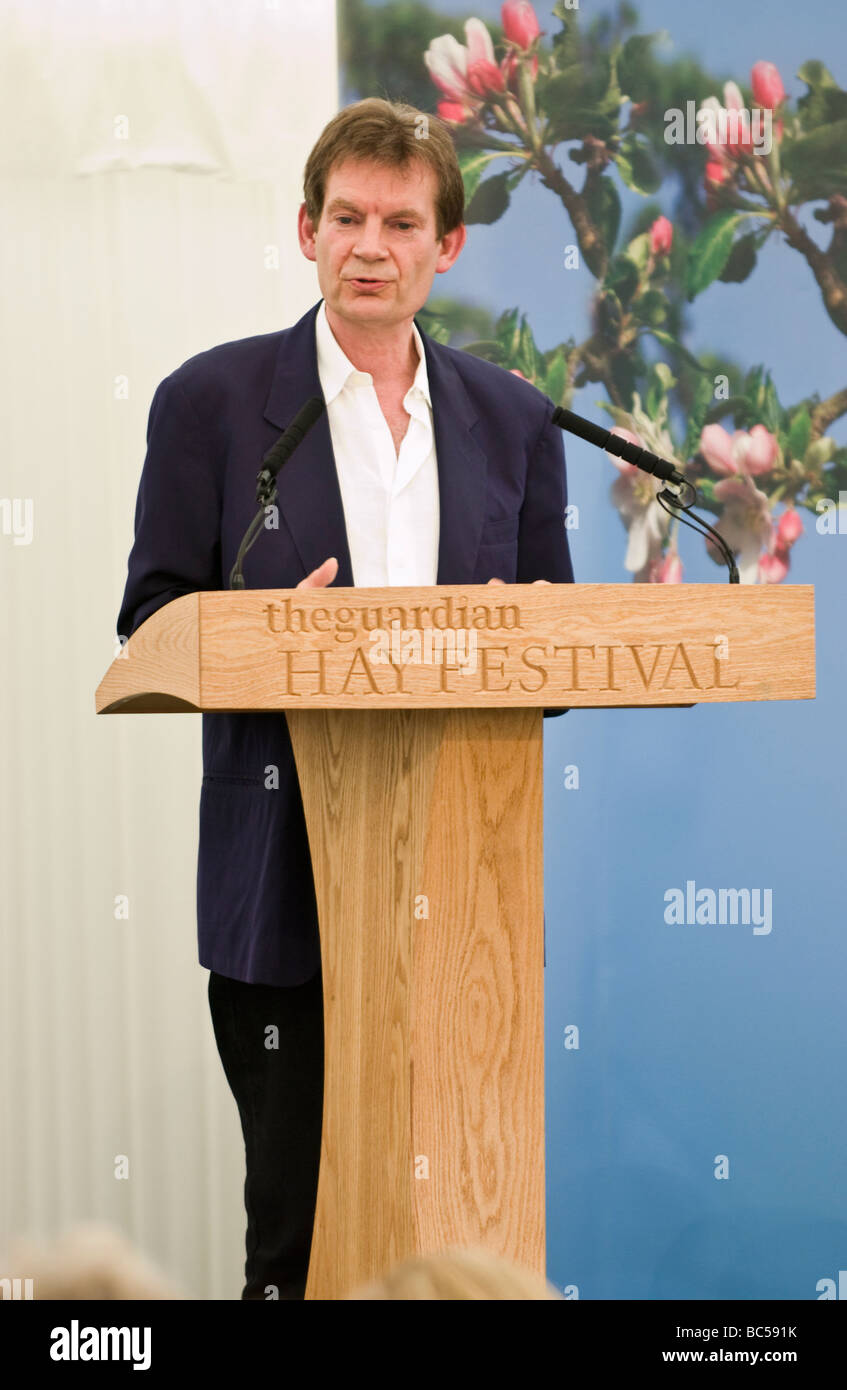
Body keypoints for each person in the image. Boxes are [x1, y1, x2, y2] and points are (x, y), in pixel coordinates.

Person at [117, 97, 574, 1300]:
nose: (372, 245)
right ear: (307, 231)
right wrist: (267, 635)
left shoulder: (516, 419)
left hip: (466, 911)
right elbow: (148, 622)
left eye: (402, 222)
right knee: (301, 1243)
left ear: (446, 248)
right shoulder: (211, 405)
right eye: (349, 219)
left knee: (465, 1239)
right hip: (287, 899)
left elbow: (555, 645)